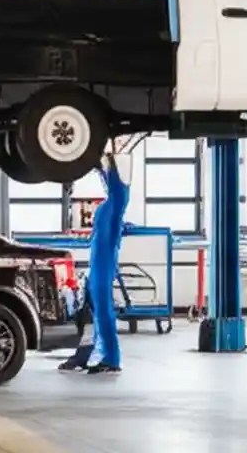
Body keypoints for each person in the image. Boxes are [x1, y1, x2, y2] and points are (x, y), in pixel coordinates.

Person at [85, 152, 131, 375]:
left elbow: (118, 186)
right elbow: (111, 183)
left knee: (104, 312)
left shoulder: (115, 205)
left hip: (102, 269)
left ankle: (111, 359)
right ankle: (97, 353)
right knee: (97, 312)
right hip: (96, 267)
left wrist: (110, 163)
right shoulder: (107, 207)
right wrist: (102, 167)